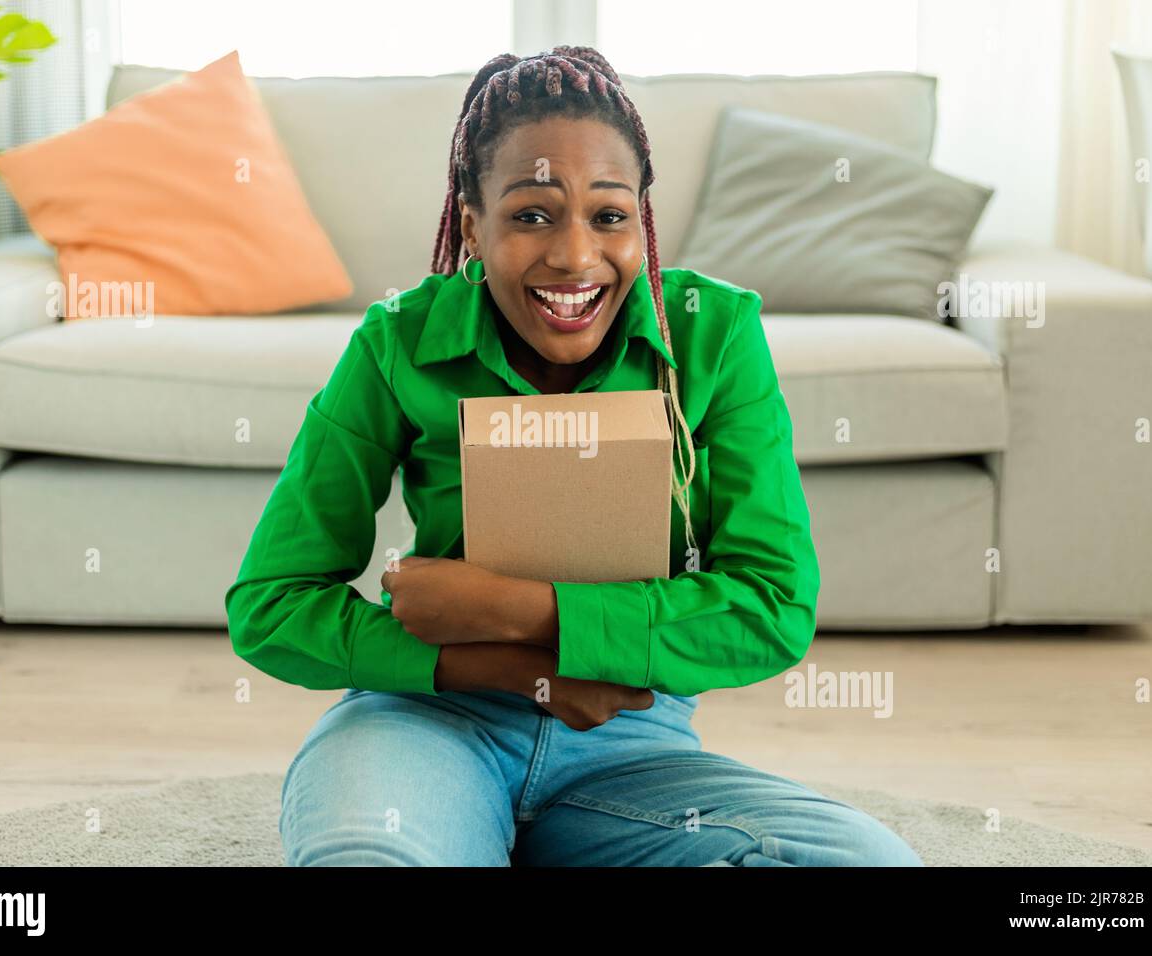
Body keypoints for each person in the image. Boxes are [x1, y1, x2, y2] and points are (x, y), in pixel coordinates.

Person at [225, 46, 924, 867]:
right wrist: (489, 663)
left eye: (609, 215)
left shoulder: (716, 336)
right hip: (425, 718)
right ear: (473, 226)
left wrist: (516, 609)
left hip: (630, 741)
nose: (575, 257)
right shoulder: (397, 342)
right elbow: (269, 604)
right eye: (530, 215)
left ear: (643, 223)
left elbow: (773, 607)